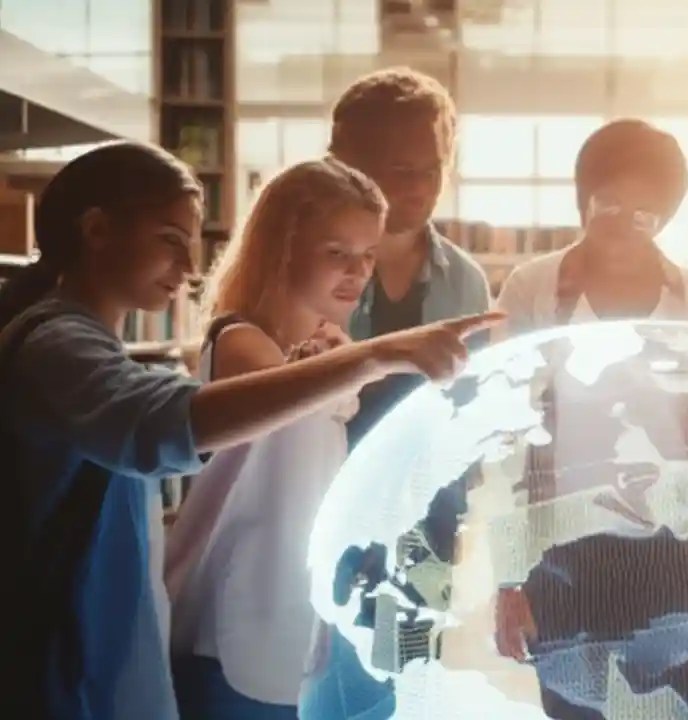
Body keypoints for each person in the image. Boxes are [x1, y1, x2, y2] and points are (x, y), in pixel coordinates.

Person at [0, 141, 500, 720]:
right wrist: (374, 357)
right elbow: (164, 425)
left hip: (117, 656)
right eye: (169, 240)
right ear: (97, 230)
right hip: (73, 666)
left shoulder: (84, 345)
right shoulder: (57, 345)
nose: (188, 268)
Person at [164, 159, 386, 718]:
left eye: (368, 255)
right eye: (336, 252)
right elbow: (291, 398)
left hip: (291, 608)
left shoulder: (329, 350)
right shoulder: (242, 341)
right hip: (235, 618)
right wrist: (357, 366)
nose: (357, 273)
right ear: (283, 247)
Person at [328, 67, 493, 446]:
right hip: (327, 486)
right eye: (400, 171)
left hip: (433, 492)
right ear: (350, 167)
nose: (420, 188)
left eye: (433, 171)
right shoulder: (312, 269)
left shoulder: (466, 281)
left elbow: (471, 406)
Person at [495, 118, 688, 334]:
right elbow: (503, 380)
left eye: (641, 213)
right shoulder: (528, 288)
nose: (622, 224)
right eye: (609, 203)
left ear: (663, 220)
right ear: (584, 202)